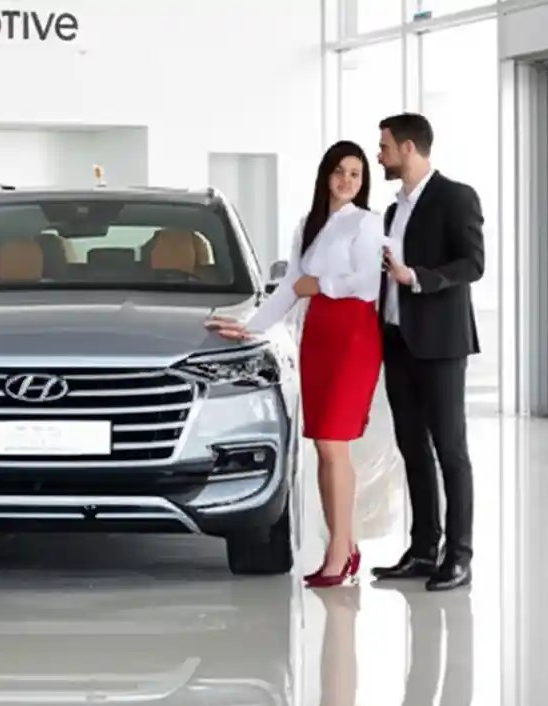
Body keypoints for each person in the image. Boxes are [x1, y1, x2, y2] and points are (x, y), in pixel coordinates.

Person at [206, 140, 385, 589]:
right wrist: (251, 327)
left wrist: (317, 284)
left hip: (353, 337)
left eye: (356, 174)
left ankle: (339, 551)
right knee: (324, 446)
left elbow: (366, 283)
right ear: (326, 175)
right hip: (318, 336)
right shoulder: (310, 224)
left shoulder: (367, 223)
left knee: (333, 443)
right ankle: (345, 544)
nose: (347, 180)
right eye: (340, 171)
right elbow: (289, 286)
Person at [371, 112, 484, 592]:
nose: (379, 155)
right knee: (411, 448)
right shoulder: (392, 211)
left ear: (408, 148)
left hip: (440, 344)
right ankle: (422, 550)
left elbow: (473, 264)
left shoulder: (456, 197)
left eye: (384, 147)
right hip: (397, 341)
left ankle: (458, 557)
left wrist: (416, 277)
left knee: (450, 451)